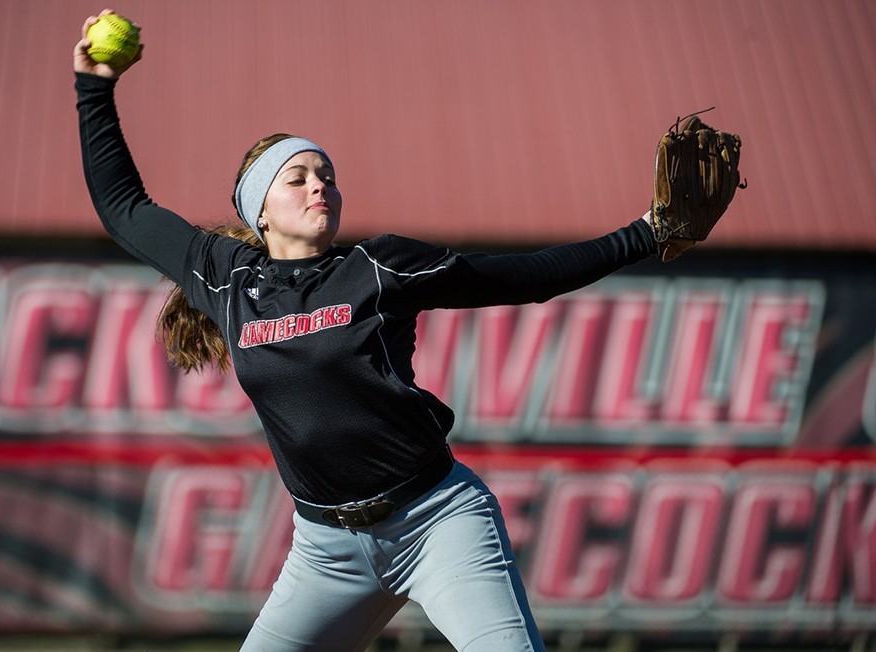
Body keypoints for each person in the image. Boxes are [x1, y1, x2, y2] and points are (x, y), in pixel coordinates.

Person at [74, 10, 660, 651]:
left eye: (326, 175)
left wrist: (648, 233)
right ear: (259, 209)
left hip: (438, 521)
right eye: (296, 179)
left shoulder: (377, 267)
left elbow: (523, 276)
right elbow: (124, 208)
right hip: (326, 553)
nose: (318, 187)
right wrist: (94, 88)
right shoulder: (226, 278)